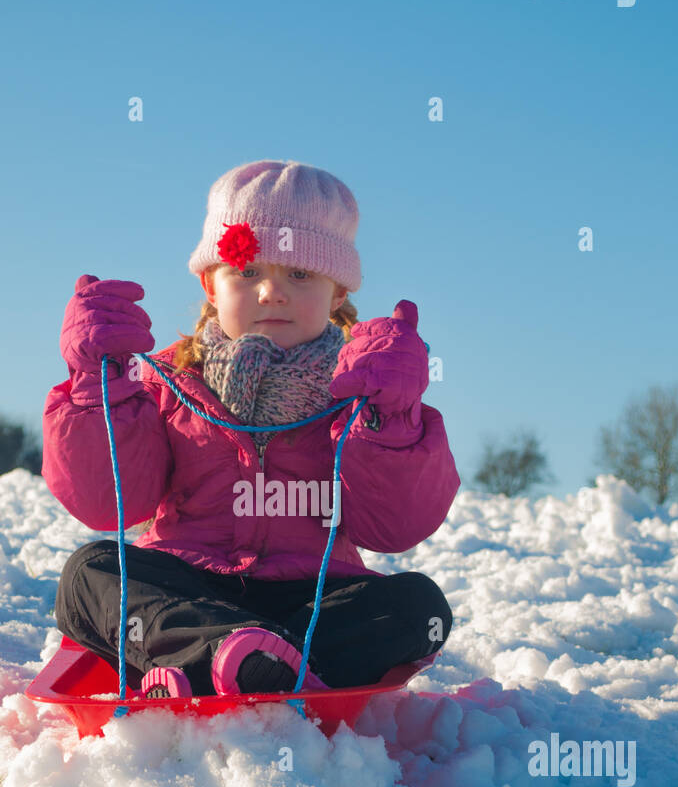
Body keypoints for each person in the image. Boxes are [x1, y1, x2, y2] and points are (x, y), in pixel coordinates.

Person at [42, 159, 460, 699]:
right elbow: (111, 503)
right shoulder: (169, 380)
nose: (271, 292)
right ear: (210, 285)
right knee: (88, 574)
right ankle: (231, 654)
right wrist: (94, 387)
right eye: (247, 272)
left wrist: (391, 419)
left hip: (312, 599)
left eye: (300, 275)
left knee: (417, 605)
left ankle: (222, 664)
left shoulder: (361, 392)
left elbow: (394, 529)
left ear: (338, 295)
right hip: (187, 587)